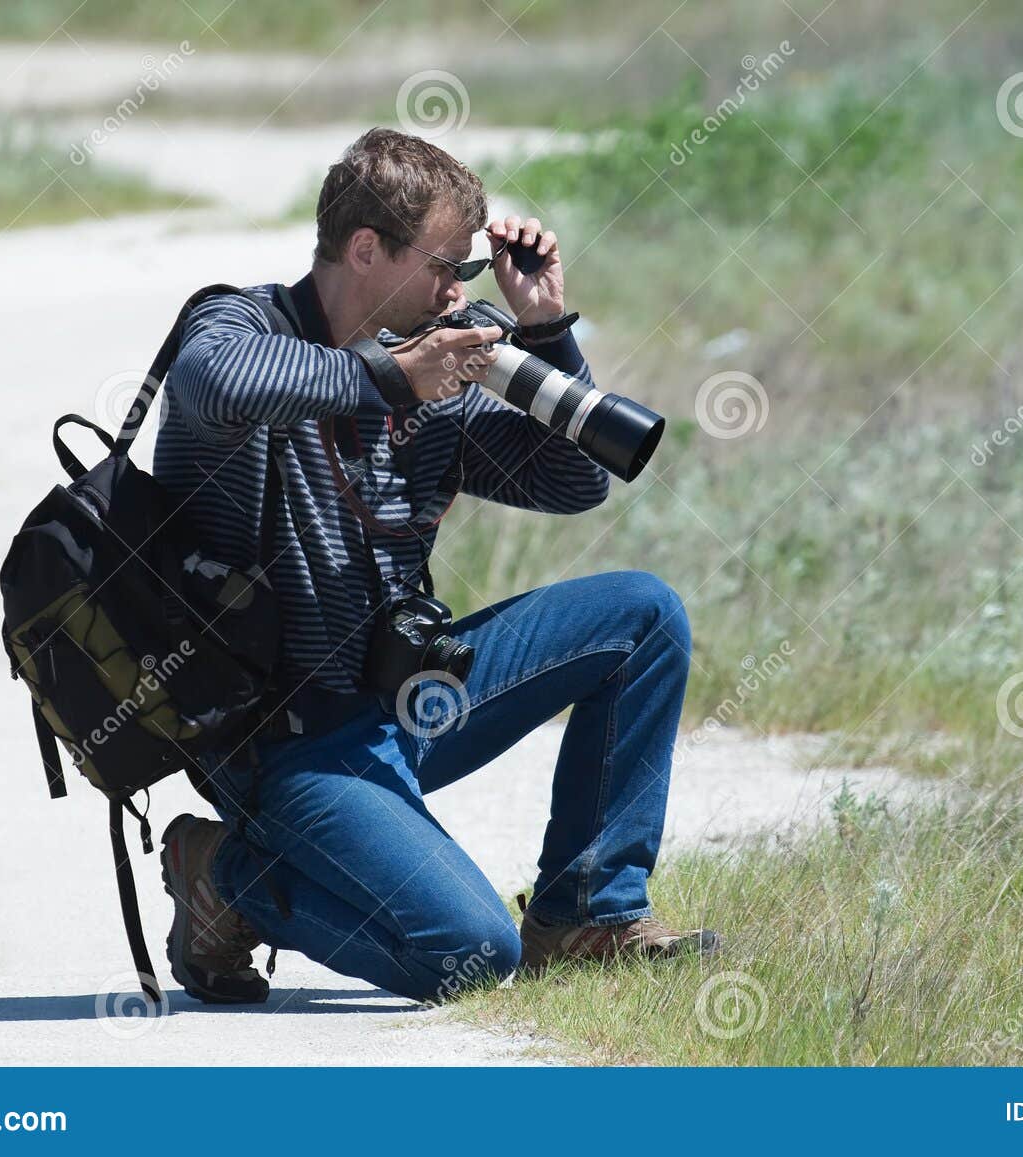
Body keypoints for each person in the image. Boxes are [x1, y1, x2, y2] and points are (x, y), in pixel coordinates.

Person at [151, 127, 719, 1005]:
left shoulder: (432, 376)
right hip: (282, 747)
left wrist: (546, 327)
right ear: (365, 248)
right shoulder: (241, 324)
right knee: (473, 953)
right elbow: (215, 381)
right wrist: (392, 374)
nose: (458, 292)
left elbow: (572, 480)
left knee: (642, 614)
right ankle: (225, 874)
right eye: (445, 266)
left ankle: (585, 913)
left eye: (470, 272)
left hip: (409, 701)